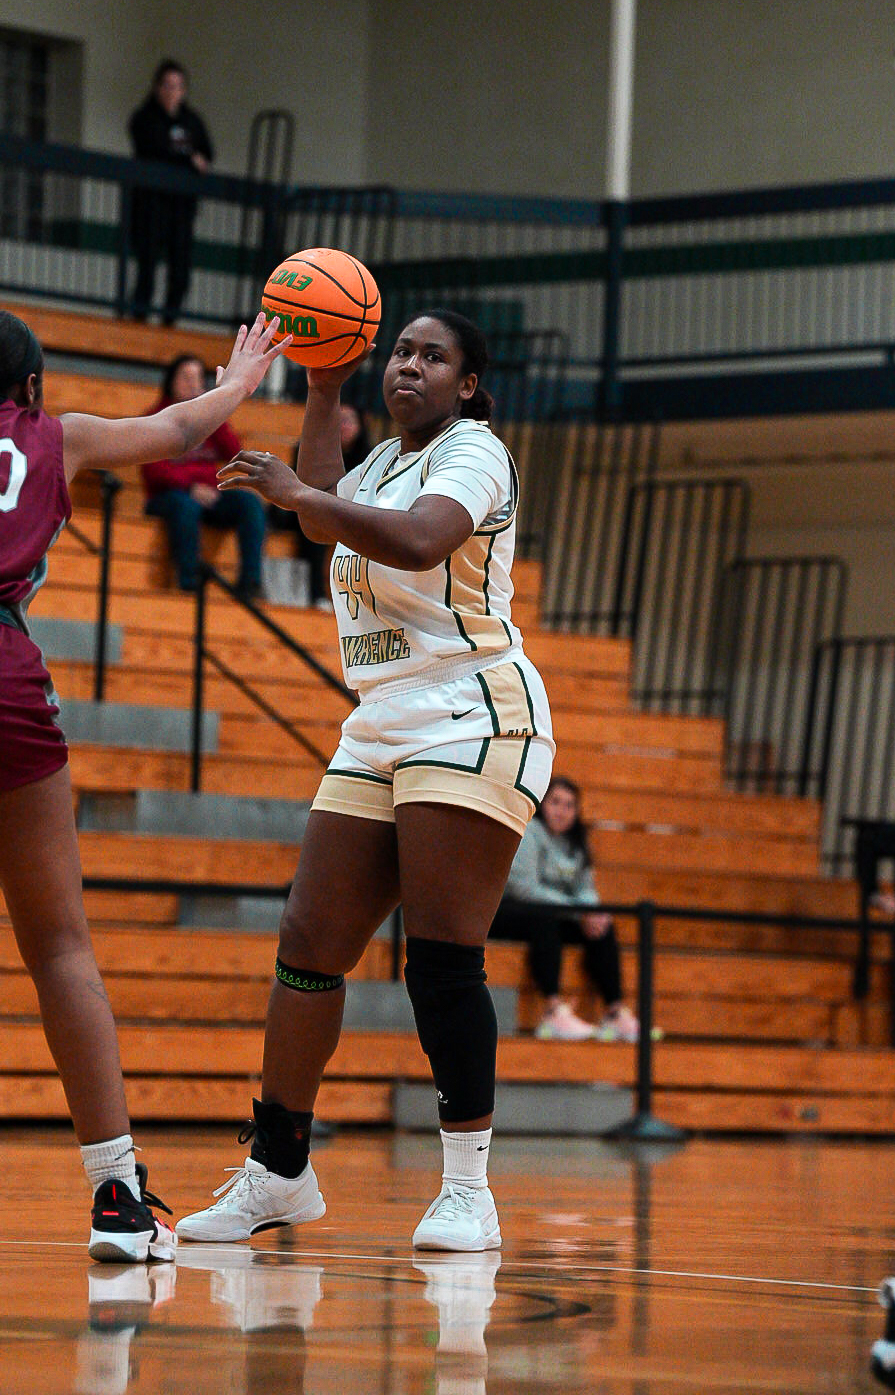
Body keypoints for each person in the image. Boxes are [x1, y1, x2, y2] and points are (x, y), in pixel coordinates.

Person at [0, 304, 285, 1260]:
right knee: (59, 944)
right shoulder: (58, 438)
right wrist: (241, 379)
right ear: (27, 389)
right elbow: (179, 430)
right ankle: (117, 1196)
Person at [175, 308, 556, 1253]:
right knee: (309, 940)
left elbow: (421, 542)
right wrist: (319, 388)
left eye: (433, 357)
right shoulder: (380, 464)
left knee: (438, 953)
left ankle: (469, 1187)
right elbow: (321, 514)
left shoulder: (477, 453)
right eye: (400, 352)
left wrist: (302, 493)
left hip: (473, 707)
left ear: (468, 383)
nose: (410, 367)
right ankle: (278, 1171)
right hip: (382, 712)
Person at [489, 775, 639, 1041]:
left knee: (602, 926)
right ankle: (552, 1011)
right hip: (509, 912)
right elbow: (525, 890)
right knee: (544, 919)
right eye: (556, 802)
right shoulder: (529, 832)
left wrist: (592, 912)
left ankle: (614, 1012)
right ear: (542, 804)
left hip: (554, 914)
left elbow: (585, 889)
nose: (562, 810)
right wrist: (578, 911)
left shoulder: (577, 843)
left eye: (570, 805)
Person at [142, 353, 266, 597]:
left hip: (207, 494)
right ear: (171, 381)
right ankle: (188, 581)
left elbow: (234, 453)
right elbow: (154, 470)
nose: (192, 383)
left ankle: (250, 581)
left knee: (249, 503)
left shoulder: (209, 418)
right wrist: (191, 487)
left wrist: (215, 413)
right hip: (168, 497)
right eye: (186, 377)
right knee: (185, 505)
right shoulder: (154, 416)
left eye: (197, 378)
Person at [128, 60, 213, 324]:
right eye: (166, 85)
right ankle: (139, 318)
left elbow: (208, 152)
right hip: (150, 204)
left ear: (184, 90)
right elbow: (154, 148)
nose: (171, 91)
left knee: (180, 271)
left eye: (177, 86)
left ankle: (169, 322)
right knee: (148, 267)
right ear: (157, 87)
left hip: (181, 207)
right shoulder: (144, 118)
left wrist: (190, 158)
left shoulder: (192, 121)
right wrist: (188, 158)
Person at [285, 402, 370, 608]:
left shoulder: (369, 455)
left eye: (348, 421)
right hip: (312, 512)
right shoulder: (310, 448)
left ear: (360, 426)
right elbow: (301, 488)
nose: (343, 427)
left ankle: (361, 601)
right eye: (338, 422)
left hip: (349, 516)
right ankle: (316, 595)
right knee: (314, 525)